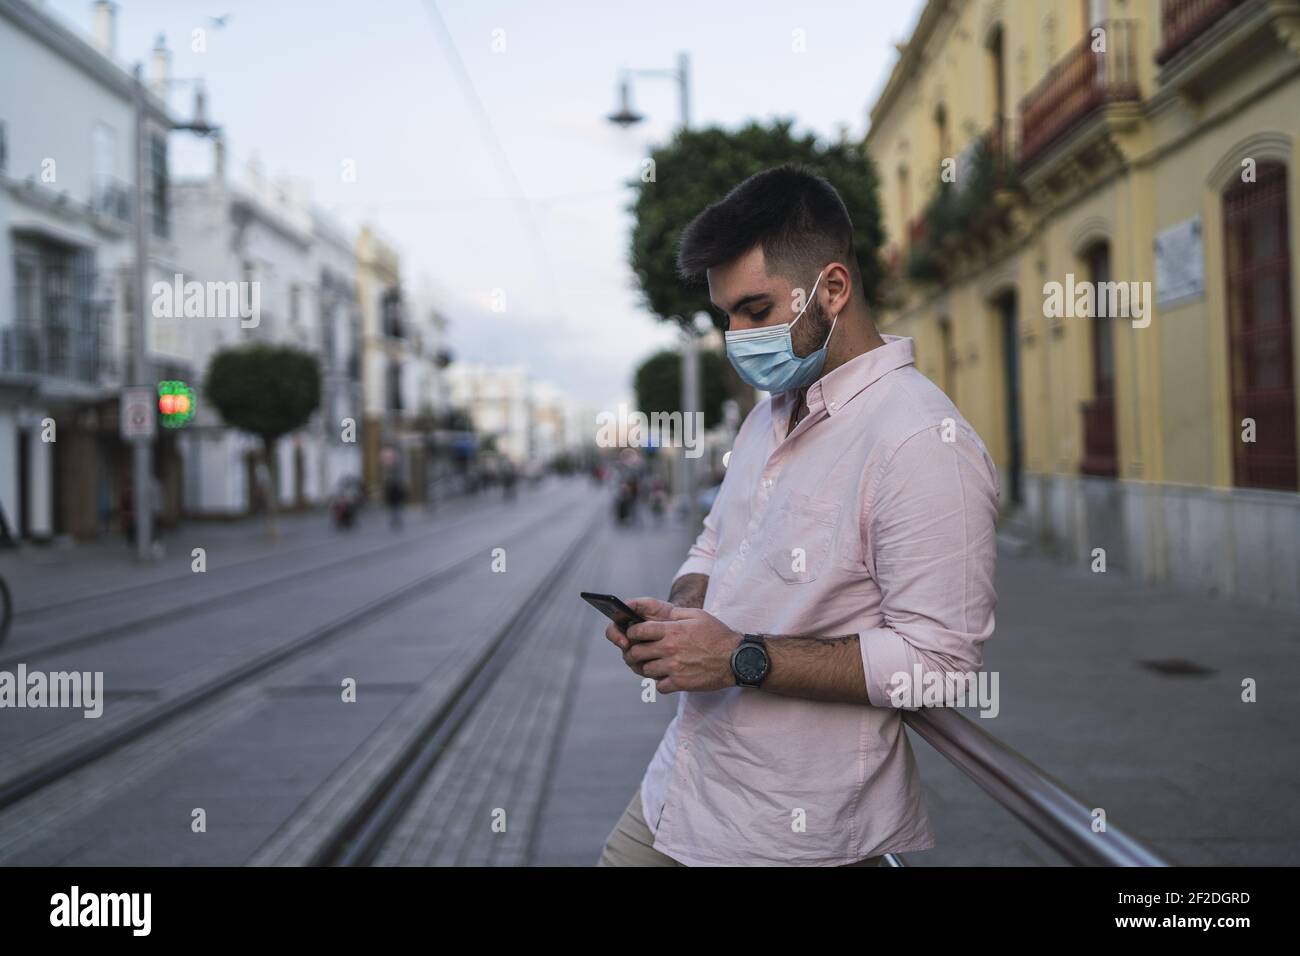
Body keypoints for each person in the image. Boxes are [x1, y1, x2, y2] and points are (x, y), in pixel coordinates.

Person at [597, 166, 999, 867]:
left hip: (792, 833)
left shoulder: (920, 440)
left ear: (833, 290)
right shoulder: (769, 416)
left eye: (754, 311)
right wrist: (677, 623)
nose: (736, 335)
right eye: (725, 316)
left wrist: (736, 656)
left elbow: (939, 666)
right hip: (681, 786)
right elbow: (713, 542)